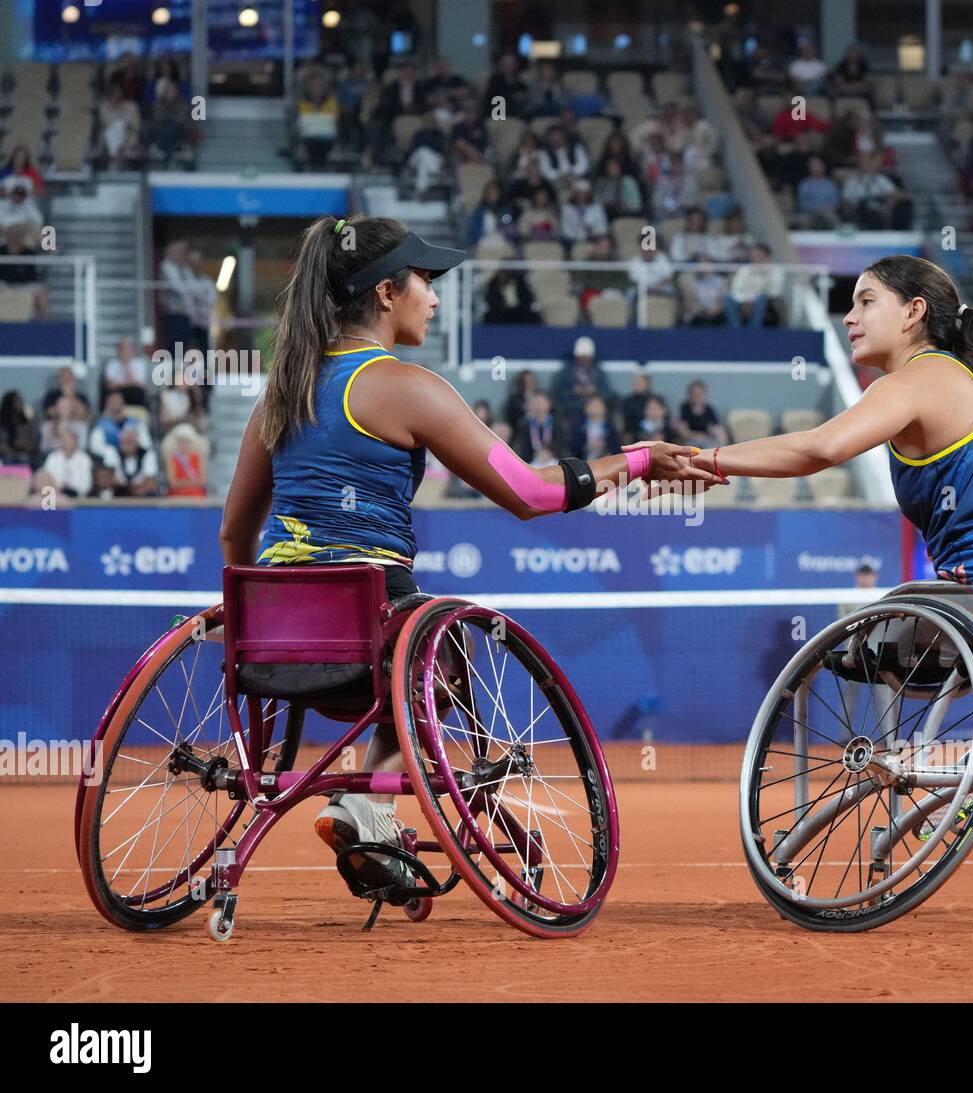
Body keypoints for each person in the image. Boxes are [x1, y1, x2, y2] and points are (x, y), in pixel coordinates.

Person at [219, 215, 717, 884]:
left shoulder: (276, 397)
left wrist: (261, 610)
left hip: (273, 649)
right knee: (442, 648)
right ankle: (369, 799)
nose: (435, 294)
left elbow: (232, 535)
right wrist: (633, 460)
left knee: (415, 634)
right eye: (425, 278)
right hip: (370, 639)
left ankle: (364, 811)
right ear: (387, 292)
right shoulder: (409, 388)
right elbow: (529, 493)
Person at [664, 255, 973, 585]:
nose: (849, 318)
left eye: (866, 302)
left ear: (914, 312)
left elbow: (819, 448)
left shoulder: (918, 378)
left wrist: (706, 459)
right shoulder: (962, 376)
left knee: (868, 652)